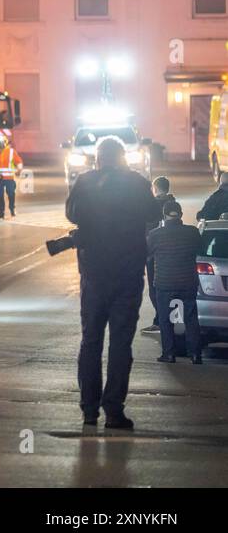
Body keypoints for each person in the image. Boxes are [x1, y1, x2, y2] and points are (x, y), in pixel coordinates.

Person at [64, 136, 162, 431]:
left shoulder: (85, 181)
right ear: (122, 157)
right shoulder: (136, 182)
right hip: (127, 275)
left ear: (97, 158)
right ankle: (114, 411)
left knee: (90, 341)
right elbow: (153, 214)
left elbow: (71, 213)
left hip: (93, 275)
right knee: (121, 345)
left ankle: (89, 410)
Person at [145, 199, 203, 365]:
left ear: (164, 215)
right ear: (181, 215)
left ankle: (169, 354)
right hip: (187, 282)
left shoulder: (155, 234)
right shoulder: (192, 232)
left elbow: (147, 254)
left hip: (165, 283)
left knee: (165, 319)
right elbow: (200, 249)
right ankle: (195, 354)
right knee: (191, 318)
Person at [143, 176, 175, 330]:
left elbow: (147, 230)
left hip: (154, 255)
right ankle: (163, 319)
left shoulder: (152, 207)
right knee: (167, 288)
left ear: (154, 188)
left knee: (155, 289)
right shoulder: (174, 204)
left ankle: (161, 321)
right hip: (171, 253)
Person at [0, 135, 23, 219]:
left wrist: (19, 167)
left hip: (9, 178)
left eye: (2, 143)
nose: (0, 145)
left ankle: (12, 208)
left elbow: (18, 161)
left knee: (11, 194)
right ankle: (1, 213)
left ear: (5, 143)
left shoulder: (11, 151)